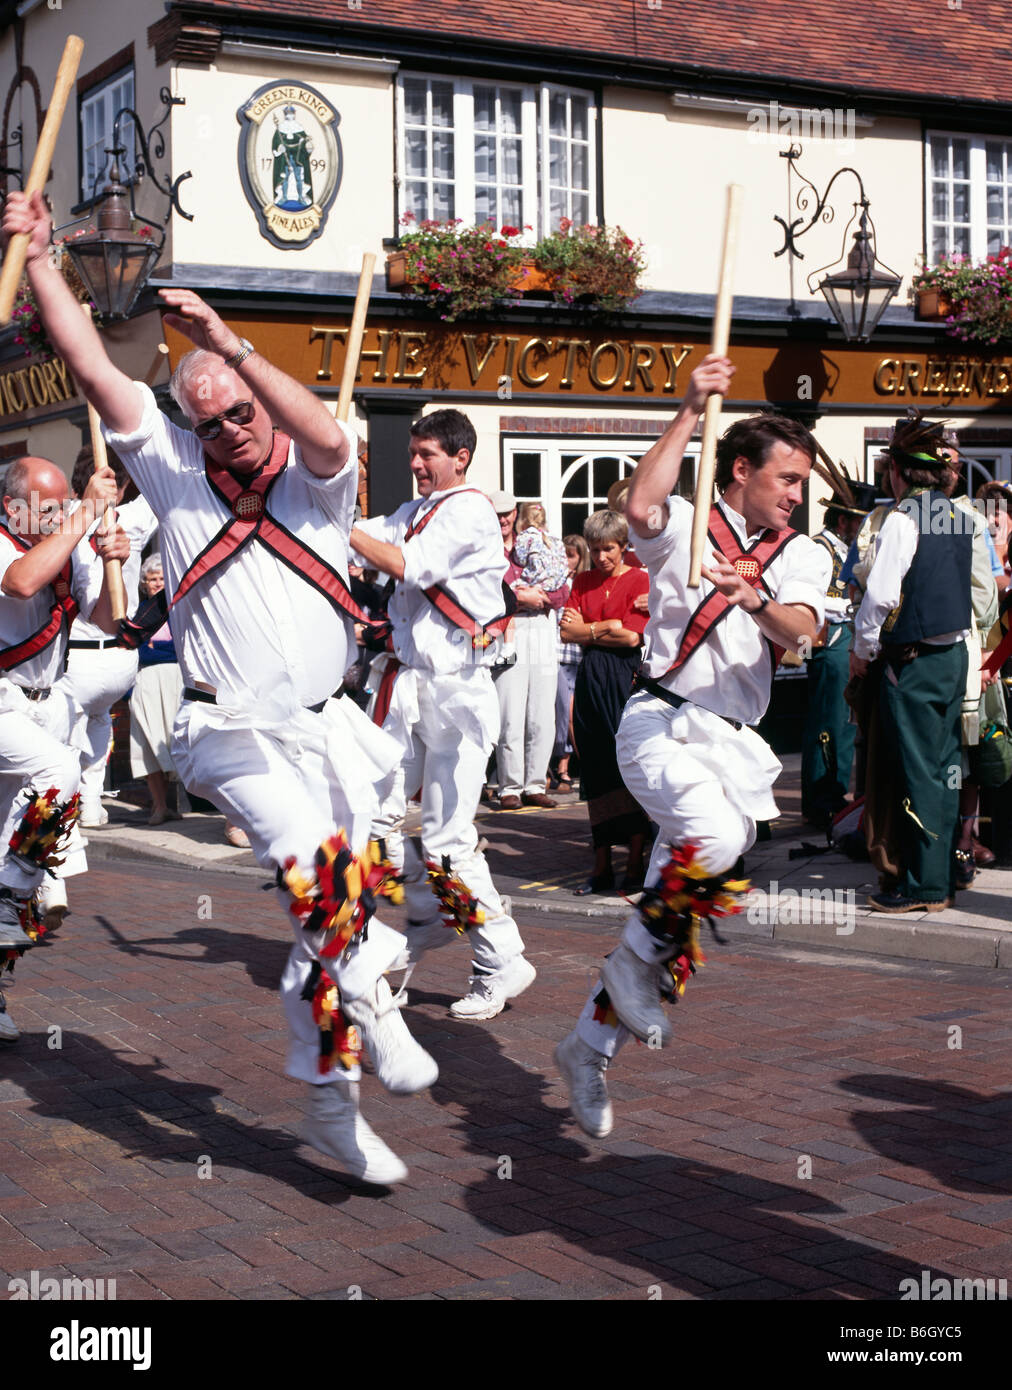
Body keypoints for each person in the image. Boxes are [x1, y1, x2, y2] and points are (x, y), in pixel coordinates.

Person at [4, 187, 436, 1186]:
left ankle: (331, 1100)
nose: (229, 433)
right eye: (208, 423)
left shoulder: (317, 478)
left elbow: (326, 435)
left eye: (241, 415)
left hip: (330, 731)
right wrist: (33, 259)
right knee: (313, 873)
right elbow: (91, 362)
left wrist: (230, 343)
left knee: (337, 915)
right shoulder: (174, 470)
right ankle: (369, 1003)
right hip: (228, 729)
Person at [554, 357, 831, 1138]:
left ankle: (586, 1048)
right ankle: (624, 970)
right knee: (708, 843)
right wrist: (687, 409)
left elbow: (803, 631)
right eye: (786, 479)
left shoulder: (801, 553)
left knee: (672, 925)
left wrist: (757, 598)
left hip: (735, 748)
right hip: (664, 721)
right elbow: (639, 504)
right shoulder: (686, 521)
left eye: (803, 482)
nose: (796, 494)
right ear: (740, 470)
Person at [350, 414, 537, 1021]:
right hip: (405, 688)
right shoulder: (410, 512)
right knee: (369, 822)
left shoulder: (471, 510)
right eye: (411, 452)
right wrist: (329, 483)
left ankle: (500, 957)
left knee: (447, 842)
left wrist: (344, 527)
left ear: (461, 457)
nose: (414, 463)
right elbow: (355, 538)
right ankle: (428, 916)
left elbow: (413, 567)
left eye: (427, 453)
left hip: (457, 688)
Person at [0, 454, 127, 1043]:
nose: (58, 518)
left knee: (14, 853)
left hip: (48, 704)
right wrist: (84, 514)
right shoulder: (5, 545)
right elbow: (21, 581)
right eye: (47, 509)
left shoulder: (65, 543)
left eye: (61, 507)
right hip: (3, 700)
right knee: (60, 771)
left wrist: (112, 563)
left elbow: (107, 618)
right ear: (12, 508)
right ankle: (15, 890)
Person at [851, 416, 975, 912]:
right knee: (946, 770)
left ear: (898, 472)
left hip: (916, 660)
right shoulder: (959, 516)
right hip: (953, 656)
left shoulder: (903, 519)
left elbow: (879, 597)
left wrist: (862, 651)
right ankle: (942, 875)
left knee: (918, 771)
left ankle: (923, 886)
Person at [63, 446, 158, 829]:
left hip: (80, 657)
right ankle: (89, 801)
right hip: (122, 660)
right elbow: (159, 492)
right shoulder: (135, 517)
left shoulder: (65, 519)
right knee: (100, 719)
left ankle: (68, 804)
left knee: (69, 732)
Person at [561, 510, 650, 893]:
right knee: (595, 770)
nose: (601, 558)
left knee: (627, 769)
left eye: (609, 549)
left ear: (624, 545)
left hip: (624, 679)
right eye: (595, 550)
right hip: (590, 679)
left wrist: (589, 630)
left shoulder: (639, 580)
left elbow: (633, 639)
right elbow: (566, 632)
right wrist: (607, 627)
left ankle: (633, 863)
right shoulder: (582, 580)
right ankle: (601, 866)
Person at [800, 478, 875, 827]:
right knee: (828, 724)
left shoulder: (849, 551)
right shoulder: (817, 548)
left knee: (844, 725)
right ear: (843, 520)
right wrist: (853, 605)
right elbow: (812, 599)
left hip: (848, 640)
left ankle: (833, 792)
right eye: (860, 521)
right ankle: (822, 799)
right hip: (831, 643)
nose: (864, 528)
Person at [491, 490, 568, 809]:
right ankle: (509, 786)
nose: (504, 519)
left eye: (508, 513)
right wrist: (522, 598)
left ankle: (536, 783)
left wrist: (541, 598)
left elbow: (562, 589)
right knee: (510, 710)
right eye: (498, 514)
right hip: (510, 630)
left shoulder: (539, 543)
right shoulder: (487, 552)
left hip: (541, 625)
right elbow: (486, 594)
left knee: (542, 712)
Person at [126, 554, 184, 825]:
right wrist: (152, 651)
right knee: (148, 743)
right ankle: (160, 806)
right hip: (146, 682)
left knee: (178, 740)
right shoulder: (140, 613)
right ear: (144, 583)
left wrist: (152, 649)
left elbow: (180, 650)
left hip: (177, 680)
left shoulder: (179, 609)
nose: (158, 583)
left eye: (162, 578)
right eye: (152, 579)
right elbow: (134, 650)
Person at [550, 534, 590, 792]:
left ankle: (571, 766)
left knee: (575, 713)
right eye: (564, 554)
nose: (567, 560)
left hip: (580, 654)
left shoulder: (583, 584)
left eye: (572, 555)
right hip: (559, 653)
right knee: (562, 712)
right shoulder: (556, 582)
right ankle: (560, 766)